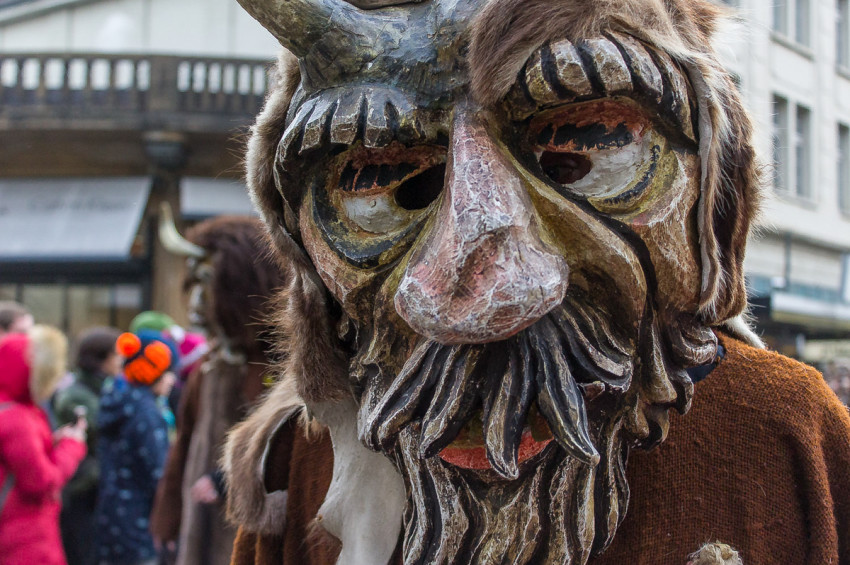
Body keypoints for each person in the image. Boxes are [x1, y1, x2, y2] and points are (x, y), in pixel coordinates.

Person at [224, 0, 850, 564]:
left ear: (712, 201)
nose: (496, 296)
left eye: (584, 149)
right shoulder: (303, 460)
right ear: (303, 248)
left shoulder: (781, 433)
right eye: (388, 183)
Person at [150, 214, 286, 565]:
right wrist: (169, 517)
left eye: (206, 284)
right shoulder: (208, 369)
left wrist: (227, 479)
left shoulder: (282, 368)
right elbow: (184, 444)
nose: (196, 302)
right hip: (201, 531)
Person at [0, 325, 88, 565]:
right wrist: (72, 445)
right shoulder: (18, 418)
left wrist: (54, 443)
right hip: (23, 537)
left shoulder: (11, 408)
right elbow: (41, 482)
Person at [94, 331, 176, 565]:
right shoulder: (147, 414)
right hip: (142, 523)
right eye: (167, 372)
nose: (171, 379)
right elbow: (158, 474)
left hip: (111, 518)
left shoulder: (115, 399)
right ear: (152, 373)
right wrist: (169, 522)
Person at [52, 327, 122, 565]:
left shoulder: (107, 388)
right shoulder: (75, 396)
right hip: (81, 488)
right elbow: (98, 432)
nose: (121, 360)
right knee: (82, 552)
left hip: (99, 486)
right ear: (101, 358)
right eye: (116, 354)